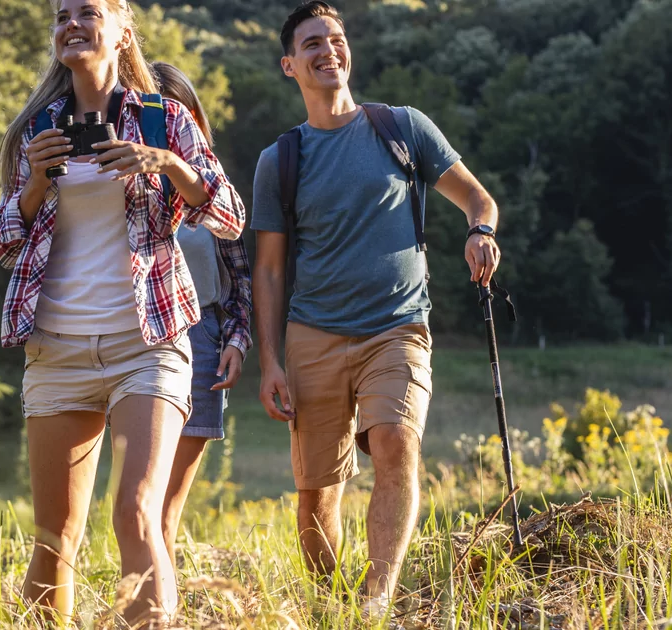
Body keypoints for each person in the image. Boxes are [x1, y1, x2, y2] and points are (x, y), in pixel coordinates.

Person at [0, 0, 245, 625]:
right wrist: (35, 184)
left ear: (122, 28)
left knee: (134, 509)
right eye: (61, 15)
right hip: (57, 351)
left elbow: (231, 217)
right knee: (54, 537)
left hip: (147, 344)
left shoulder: (165, 120)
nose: (71, 23)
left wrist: (167, 163)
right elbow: (3, 241)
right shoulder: (39, 130)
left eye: (88, 11)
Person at [249, 1, 503, 617]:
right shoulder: (280, 160)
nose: (328, 51)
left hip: (397, 327)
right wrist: (270, 362)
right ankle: (333, 606)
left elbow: (478, 199)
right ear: (290, 65)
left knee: (394, 440)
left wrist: (480, 232)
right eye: (312, 44)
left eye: (335, 39)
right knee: (316, 496)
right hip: (313, 336)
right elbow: (270, 269)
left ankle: (377, 596)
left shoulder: (402, 127)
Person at [150, 61, 253, 570]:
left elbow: (237, 270)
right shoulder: (121, 187)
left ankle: (160, 613)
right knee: (140, 503)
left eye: (181, 114)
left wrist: (238, 338)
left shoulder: (213, 189)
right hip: (141, 338)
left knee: (166, 511)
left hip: (205, 336)